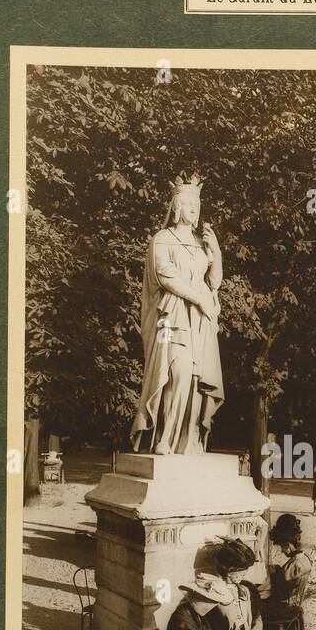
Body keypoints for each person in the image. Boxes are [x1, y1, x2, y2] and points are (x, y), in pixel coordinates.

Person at [130, 173, 224, 455]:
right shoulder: (161, 239)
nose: (193, 209)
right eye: (187, 203)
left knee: (196, 382)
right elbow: (166, 276)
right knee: (177, 372)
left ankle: (187, 441)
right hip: (172, 316)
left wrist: (215, 252)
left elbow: (214, 282)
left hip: (200, 320)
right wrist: (201, 300)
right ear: (175, 208)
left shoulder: (199, 242)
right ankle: (164, 437)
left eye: (196, 204)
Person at [260, 513, 312, 630]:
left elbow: (279, 593)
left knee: (256, 607)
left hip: (283, 608)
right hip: (294, 604)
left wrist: (272, 577)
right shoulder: (305, 559)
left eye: (282, 547)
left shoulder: (292, 566)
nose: (282, 551)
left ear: (288, 545)